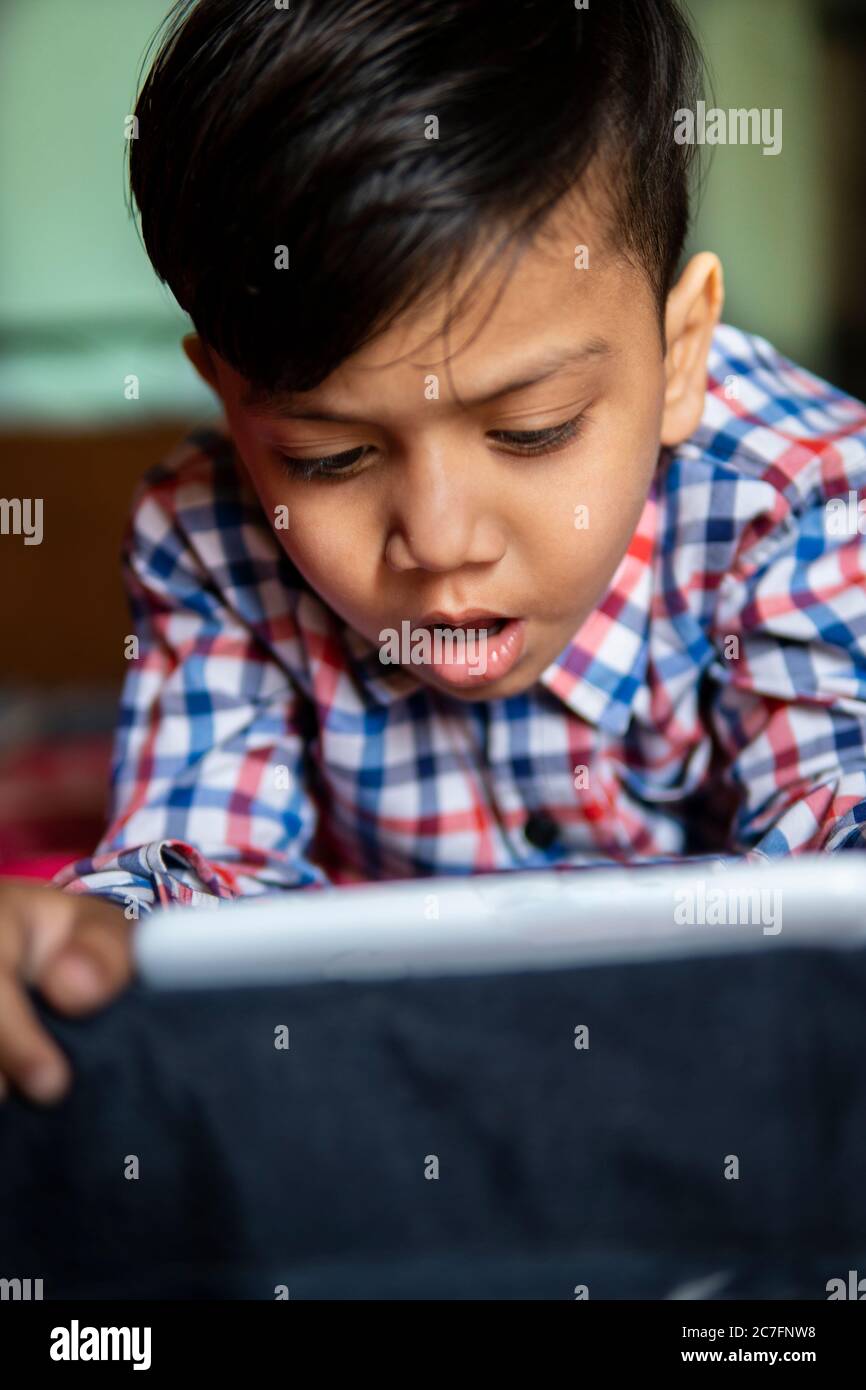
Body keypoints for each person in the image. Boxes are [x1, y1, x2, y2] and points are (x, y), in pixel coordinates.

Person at [3, 0, 866, 1107]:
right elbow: (194, 879)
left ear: (679, 350)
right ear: (226, 393)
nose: (441, 543)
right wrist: (83, 945)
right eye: (328, 456)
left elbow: (838, 840)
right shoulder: (209, 536)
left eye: (533, 430)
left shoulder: (798, 497)